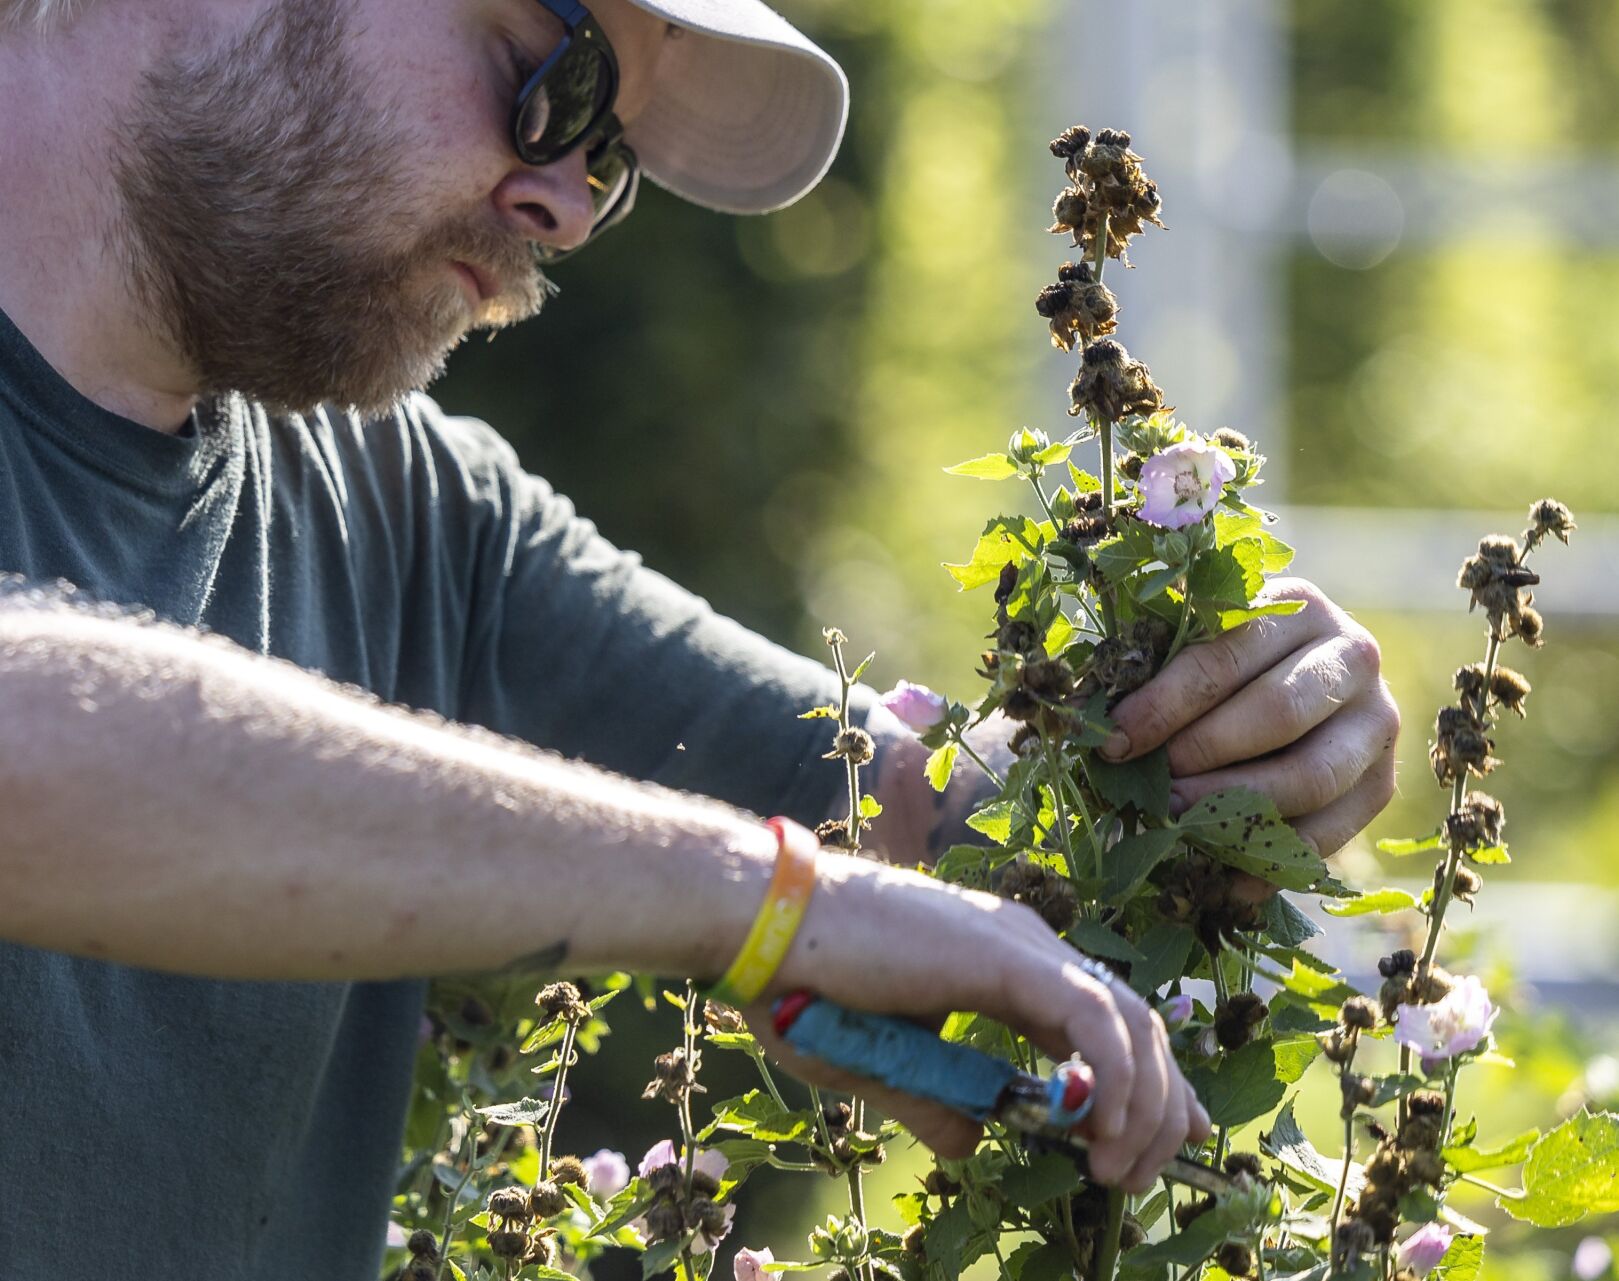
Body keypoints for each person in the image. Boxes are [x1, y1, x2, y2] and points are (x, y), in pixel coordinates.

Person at [0, 0, 1399, 1274]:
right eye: (549, 77)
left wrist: (1228, 732)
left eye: (604, 156)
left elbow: (945, 840)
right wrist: (767, 903)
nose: (558, 204)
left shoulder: (410, 513)